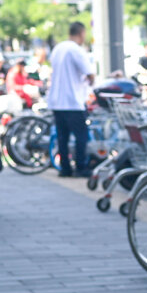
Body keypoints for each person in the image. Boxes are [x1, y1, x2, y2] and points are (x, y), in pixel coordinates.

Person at [46, 21, 95, 178]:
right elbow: (90, 74)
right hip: (73, 101)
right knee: (81, 137)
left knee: (62, 137)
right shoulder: (76, 50)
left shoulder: (58, 48)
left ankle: (65, 168)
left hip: (57, 101)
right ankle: (81, 166)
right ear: (81, 33)